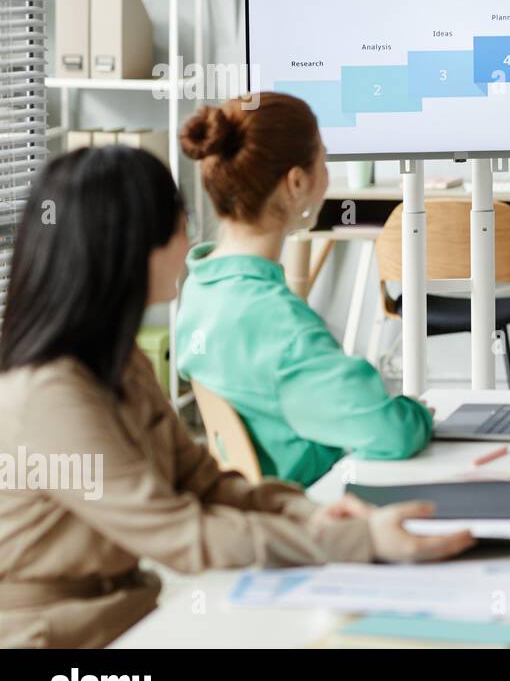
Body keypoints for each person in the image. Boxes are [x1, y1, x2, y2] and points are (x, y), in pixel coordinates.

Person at [0, 147, 473, 648]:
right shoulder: (50, 397)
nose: (188, 243)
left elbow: (206, 485)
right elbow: (181, 535)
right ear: (130, 248)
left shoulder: (120, 365)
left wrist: (312, 514)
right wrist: (359, 540)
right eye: (178, 226)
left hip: (127, 617)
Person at [176, 93, 430, 487]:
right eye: (324, 160)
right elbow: (391, 433)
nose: (327, 173)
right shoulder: (279, 324)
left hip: (257, 504)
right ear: (296, 181)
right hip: (307, 507)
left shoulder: (201, 286)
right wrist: (418, 413)